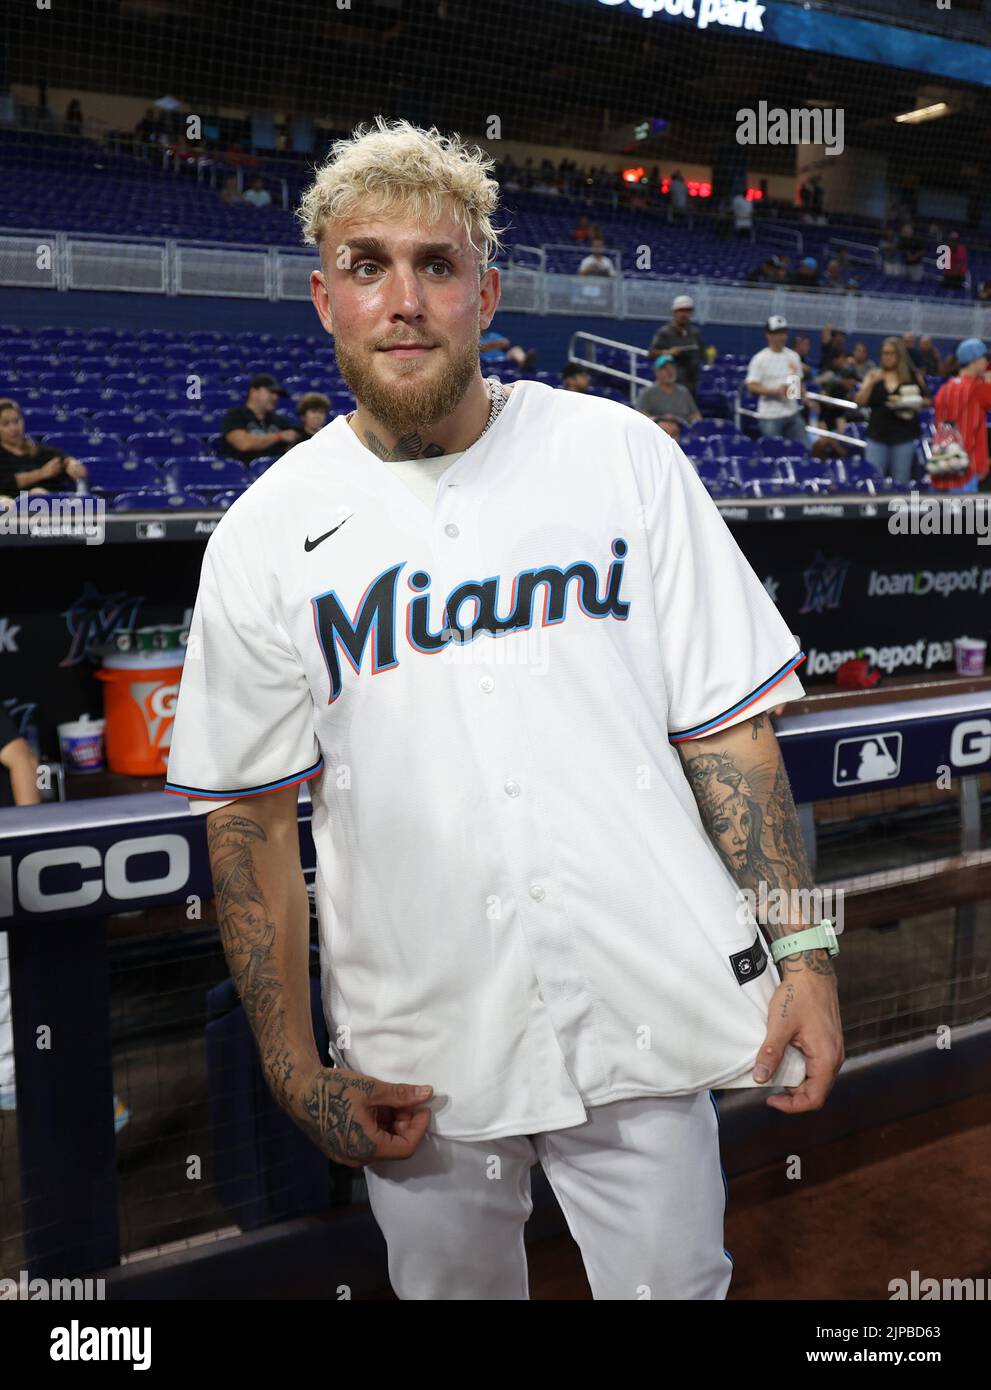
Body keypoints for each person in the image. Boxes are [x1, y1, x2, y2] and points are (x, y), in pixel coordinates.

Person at [164, 117, 842, 1303]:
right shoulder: (264, 535)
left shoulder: (620, 454)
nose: (405, 298)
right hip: (422, 1045)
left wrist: (804, 948)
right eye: (370, 265)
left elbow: (729, 735)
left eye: (437, 265)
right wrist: (292, 1065)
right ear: (326, 297)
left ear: (487, 288)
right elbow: (249, 820)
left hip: (645, 1001)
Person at [854, 337, 929, 486]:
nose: (886, 357)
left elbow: (927, 400)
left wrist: (912, 402)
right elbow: (859, 401)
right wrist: (873, 382)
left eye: (890, 353)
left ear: (899, 355)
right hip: (877, 436)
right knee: (874, 479)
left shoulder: (912, 376)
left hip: (904, 435)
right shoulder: (873, 375)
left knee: (901, 480)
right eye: (884, 353)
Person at [932, 338, 991, 492]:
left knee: (943, 514)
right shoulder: (980, 388)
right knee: (965, 516)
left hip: (944, 462)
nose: (986, 363)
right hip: (968, 465)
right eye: (985, 359)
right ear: (976, 361)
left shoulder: (944, 389)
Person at [0, 399, 87, 495]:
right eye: (6, 424)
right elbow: (5, 482)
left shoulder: (35, 449)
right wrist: (41, 473)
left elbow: (60, 457)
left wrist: (70, 463)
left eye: (16, 421)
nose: (14, 428)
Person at [745, 315, 807, 446]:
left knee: (804, 449)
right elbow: (751, 386)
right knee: (774, 453)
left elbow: (798, 383)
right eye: (778, 333)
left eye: (784, 332)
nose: (782, 337)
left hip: (792, 412)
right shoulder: (760, 358)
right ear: (769, 335)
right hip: (770, 416)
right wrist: (775, 391)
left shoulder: (793, 356)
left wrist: (798, 390)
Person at [218, 375, 300, 464]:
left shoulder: (280, 420)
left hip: (277, 472)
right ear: (254, 392)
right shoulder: (236, 415)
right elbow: (244, 444)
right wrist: (278, 437)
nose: (275, 397)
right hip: (245, 472)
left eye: (277, 394)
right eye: (271, 392)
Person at [649, 296, 705, 397]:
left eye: (687, 311)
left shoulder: (695, 333)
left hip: (691, 384)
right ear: (674, 312)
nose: (684, 314)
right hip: (671, 384)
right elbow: (652, 353)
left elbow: (701, 354)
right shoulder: (664, 332)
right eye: (681, 311)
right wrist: (668, 352)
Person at [635, 355, 701, 425]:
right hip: (658, 430)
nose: (670, 371)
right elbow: (641, 414)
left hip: (682, 430)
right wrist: (662, 419)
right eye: (665, 368)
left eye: (672, 367)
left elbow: (695, 414)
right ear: (657, 372)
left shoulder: (683, 391)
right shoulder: (647, 392)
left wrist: (694, 420)